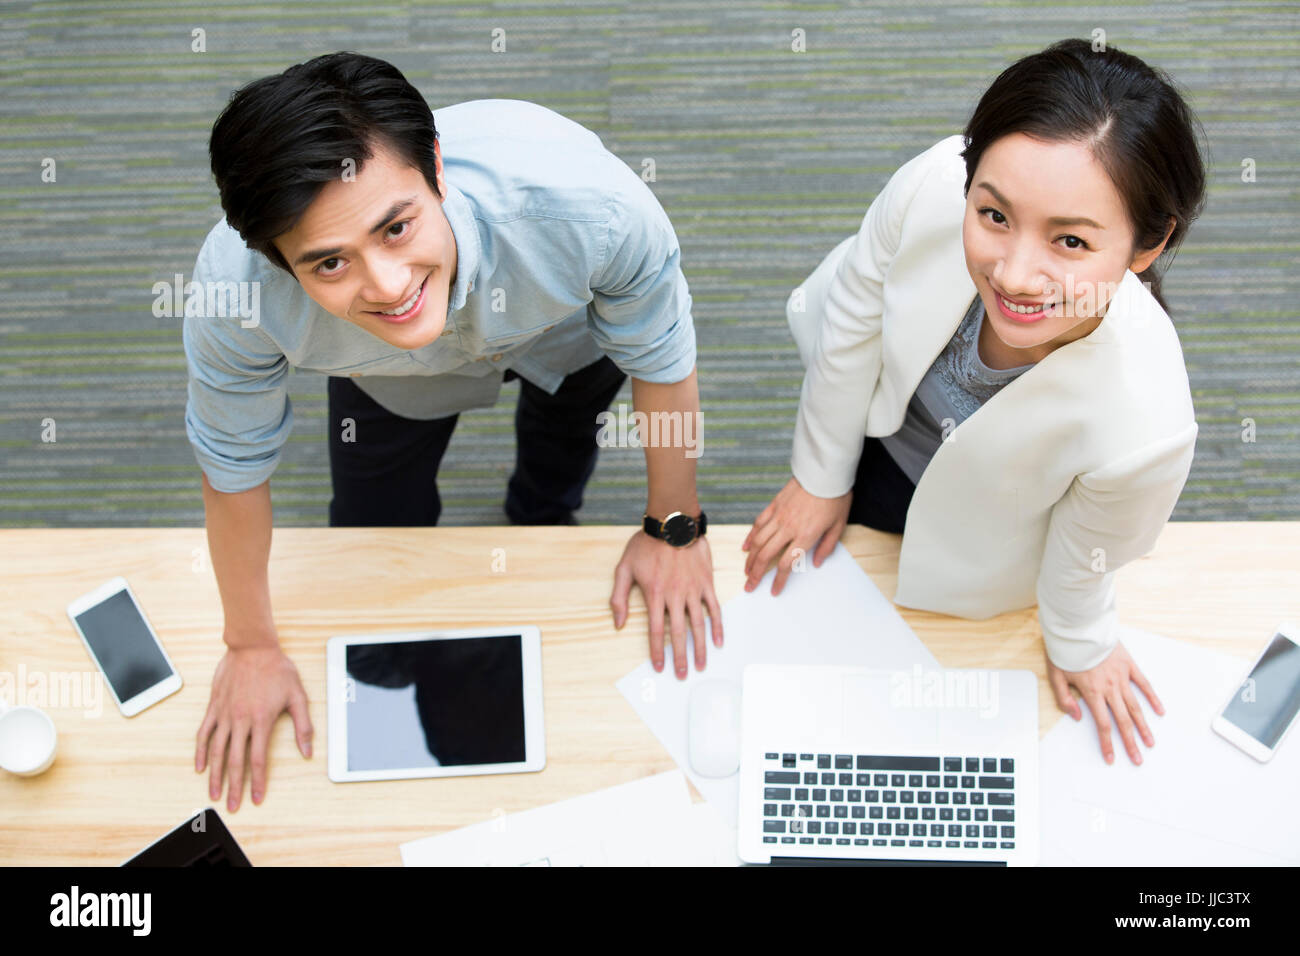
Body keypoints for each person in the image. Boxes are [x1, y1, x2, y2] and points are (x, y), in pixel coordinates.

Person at [186, 52, 721, 812]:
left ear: (435, 168)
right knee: (375, 518)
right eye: (331, 262)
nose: (390, 283)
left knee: (560, 455)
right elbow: (232, 461)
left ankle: (540, 514)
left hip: (561, 330)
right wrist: (249, 643)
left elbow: (662, 358)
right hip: (382, 376)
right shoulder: (235, 293)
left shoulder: (588, 209)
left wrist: (674, 528)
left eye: (397, 227)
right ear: (276, 261)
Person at [743, 39, 1207, 767]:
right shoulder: (932, 183)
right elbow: (856, 320)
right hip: (882, 435)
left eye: (1072, 241)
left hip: (994, 529)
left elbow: (1085, 552)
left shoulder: (1147, 423)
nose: (1016, 275)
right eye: (994, 216)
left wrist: (1081, 642)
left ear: (1146, 248)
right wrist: (820, 474)